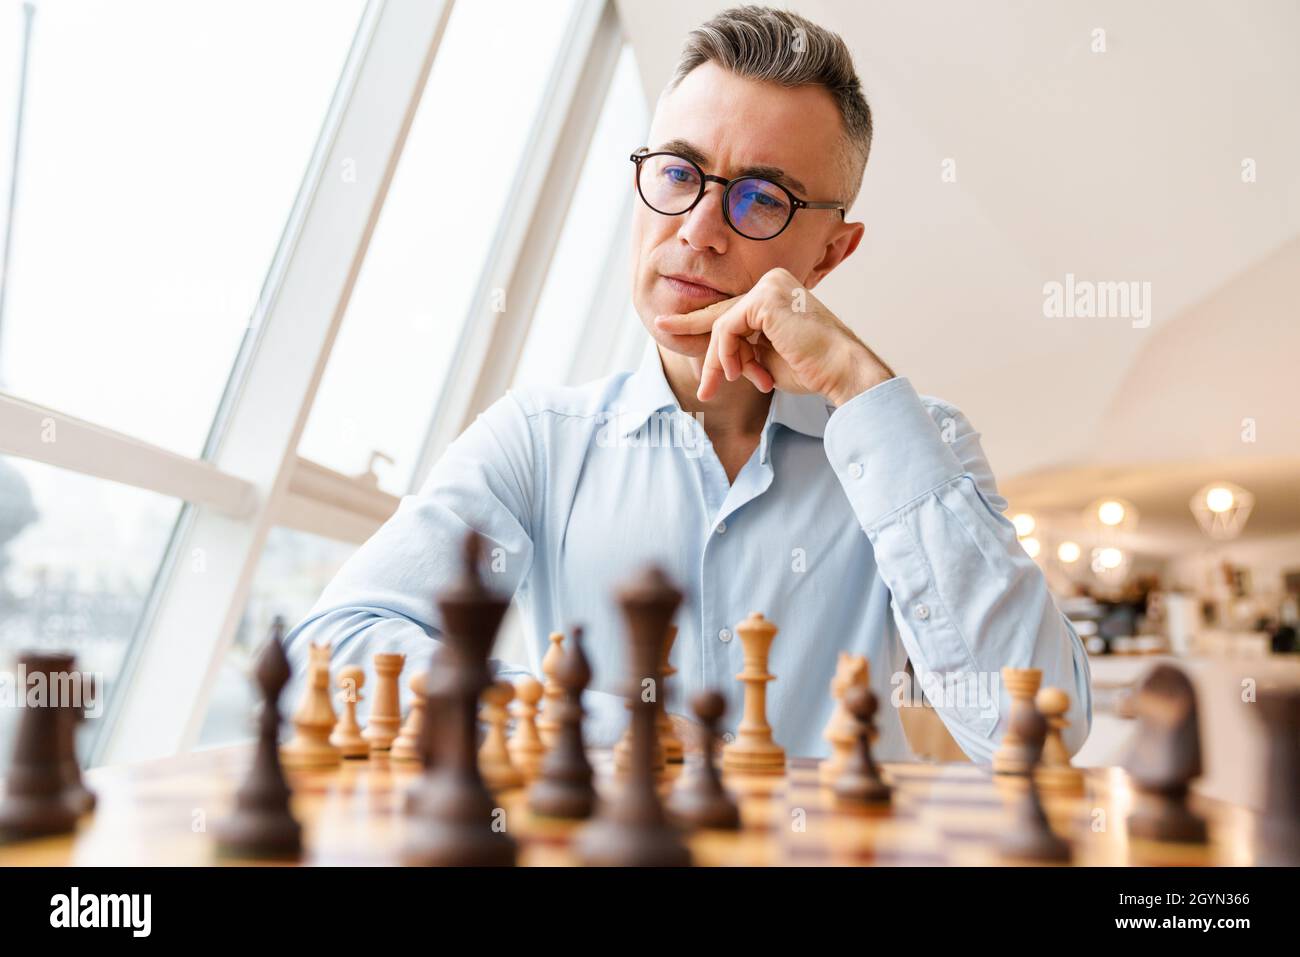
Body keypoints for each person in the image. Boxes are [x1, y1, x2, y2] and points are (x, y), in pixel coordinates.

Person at [286, 5, 1092, 762]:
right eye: (678, 172)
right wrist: (609, 725)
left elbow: (1037, 731)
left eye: (761, 199)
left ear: (830, 253)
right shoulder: (539, 440)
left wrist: (860, 386)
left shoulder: (924, 444)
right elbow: (326, 655)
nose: (699, 231)